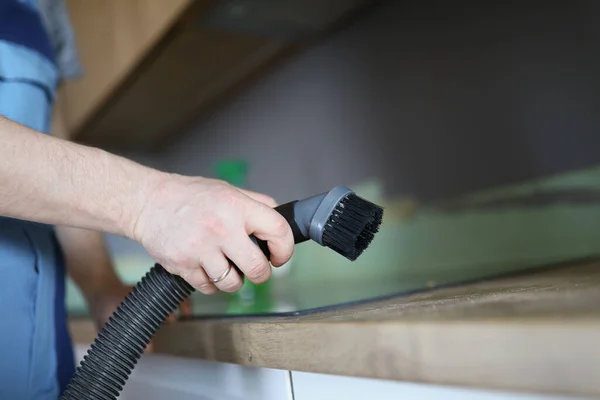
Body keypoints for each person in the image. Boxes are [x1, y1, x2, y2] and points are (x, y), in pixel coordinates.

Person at [0, 1, 294, 399]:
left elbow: (50, 149)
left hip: (40, 369)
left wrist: (102, 287)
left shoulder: (47, 9)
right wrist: (149, 203)